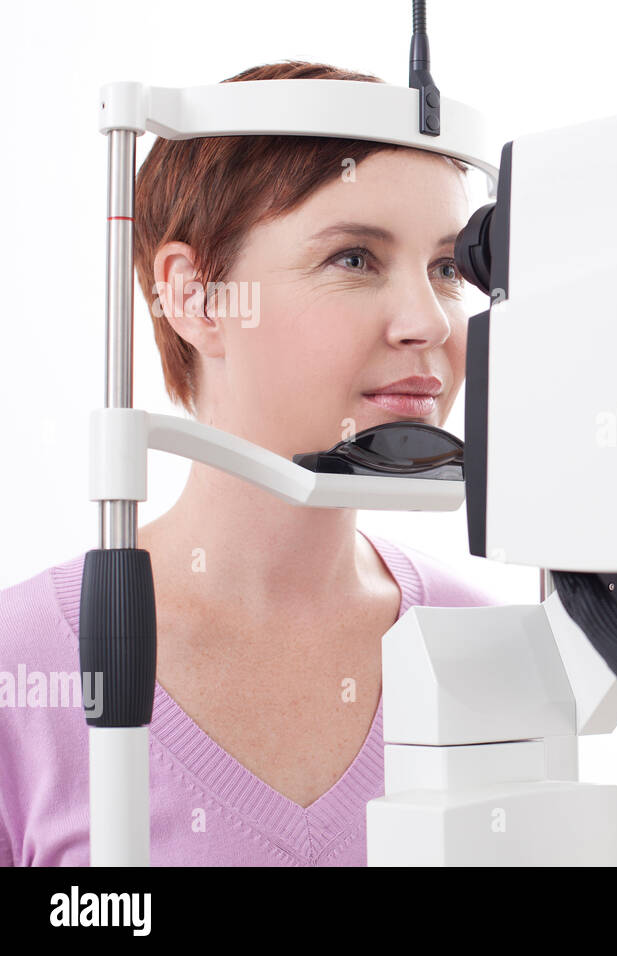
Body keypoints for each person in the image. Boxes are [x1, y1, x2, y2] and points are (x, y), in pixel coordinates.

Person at [0, 60, 501, 865]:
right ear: (194, 295)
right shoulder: (21, 669)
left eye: (447, 269)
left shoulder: (479, 642)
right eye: (355, 259)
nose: (428, 323)